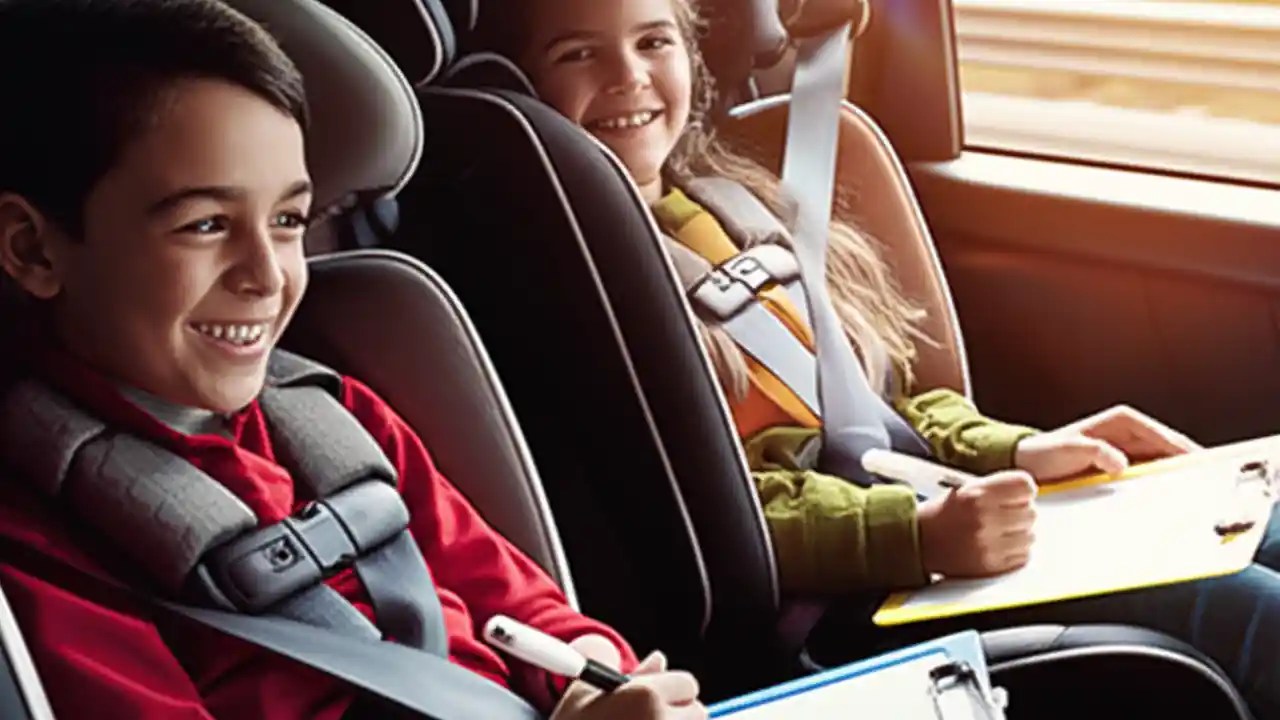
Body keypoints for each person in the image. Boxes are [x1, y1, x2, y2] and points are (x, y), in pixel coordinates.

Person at [480, 1, 1280, 716]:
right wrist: (919, 536)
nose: (629, 76)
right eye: (578, 53)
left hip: (917, 545)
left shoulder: (732, 206)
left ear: (692, 52)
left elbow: (882, 408)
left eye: (654, 40)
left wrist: (1024, 449)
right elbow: (714, 524)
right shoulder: (570, 294)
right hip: (832, 612)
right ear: (518, 87)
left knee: (1262, 527)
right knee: (1238, 604)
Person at [0, 1, 707, 719]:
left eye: (286, 223)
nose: (268, 277)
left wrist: (597, 684)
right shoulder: (34, 544)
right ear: (33, 249)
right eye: (205, 225)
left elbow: (527, 607)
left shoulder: (333, 419)